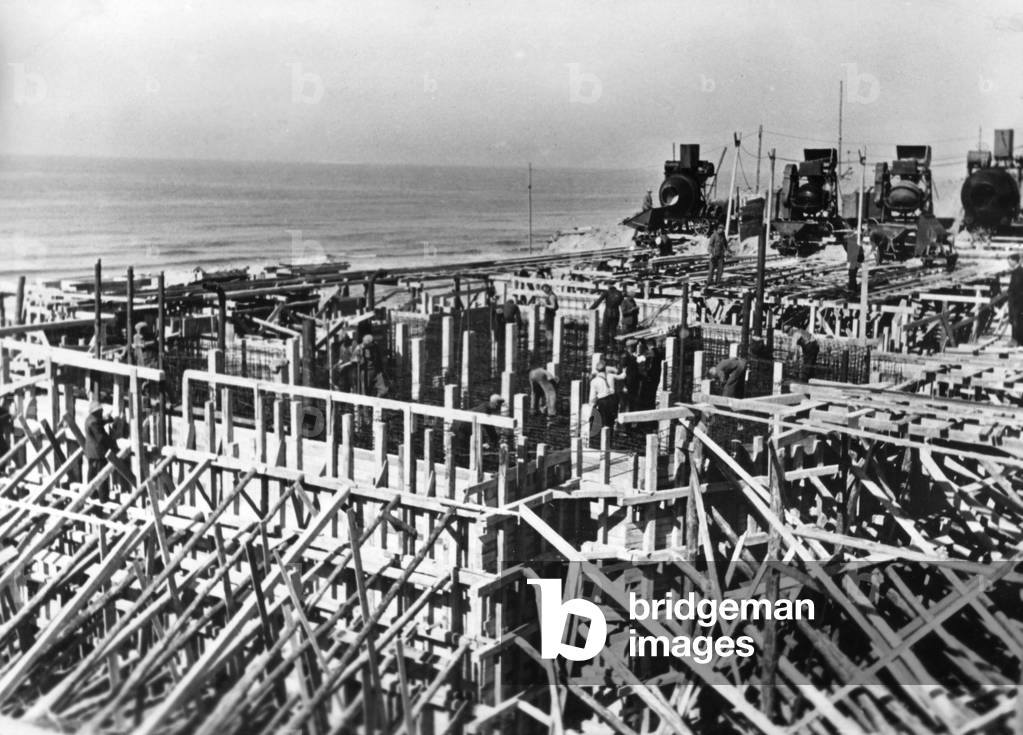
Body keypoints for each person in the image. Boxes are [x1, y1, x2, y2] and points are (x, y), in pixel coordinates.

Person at [84, 400, 118, 502]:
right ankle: (104, 498)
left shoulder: (89, 419)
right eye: (101, 411)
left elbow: (100, 422)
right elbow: (101, 437)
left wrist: (107, 420)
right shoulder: (94, 422)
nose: (102, 412)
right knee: (103, 475)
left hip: (91, 453)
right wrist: (112, 443)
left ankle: (92, 494)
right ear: (96, 412)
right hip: (98, 454)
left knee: (92, 474)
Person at [588, 361, 622, 446]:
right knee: (611, 421)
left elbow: (592, 397)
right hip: (612, 400)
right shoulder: (610, 376)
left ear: (597, 370)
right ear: (605, 368)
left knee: (602, 421)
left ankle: (602, 443)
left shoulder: (594, 381)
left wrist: (591, 406)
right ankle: (610, 441)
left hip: (602, 402)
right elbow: (622, 376)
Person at [591, 283, 623, 347]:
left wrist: (591, 308)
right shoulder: (619, 293)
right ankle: (613, 345)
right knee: (613, 329)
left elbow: (598, 301)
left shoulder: (607, 292)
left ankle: (605, 344)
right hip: (616, 313)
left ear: (609, 286)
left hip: (608, 312)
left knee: (605, 329)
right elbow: (621, 303)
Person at [618, 341, 641, 413]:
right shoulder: (625, 357)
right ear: (629, 347)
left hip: (633, 383)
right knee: (624, 403)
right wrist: (624, 385)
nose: (635, 349)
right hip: (627, 384)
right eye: (634, 347)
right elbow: (623, 371)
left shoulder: (633, 357)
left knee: (632, 402)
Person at [1009, 253, 1023, 346]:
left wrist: (1012, 296)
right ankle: (1018, 341)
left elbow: (1016, 287)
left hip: (1017, 301)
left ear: (1015, 261)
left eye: (1010, 261)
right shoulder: (1019, 271)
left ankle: (1015, 340)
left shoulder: (1018, 272)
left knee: (1015, 320)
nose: (1009, 263)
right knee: (1018, 320)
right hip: (1018, 300)